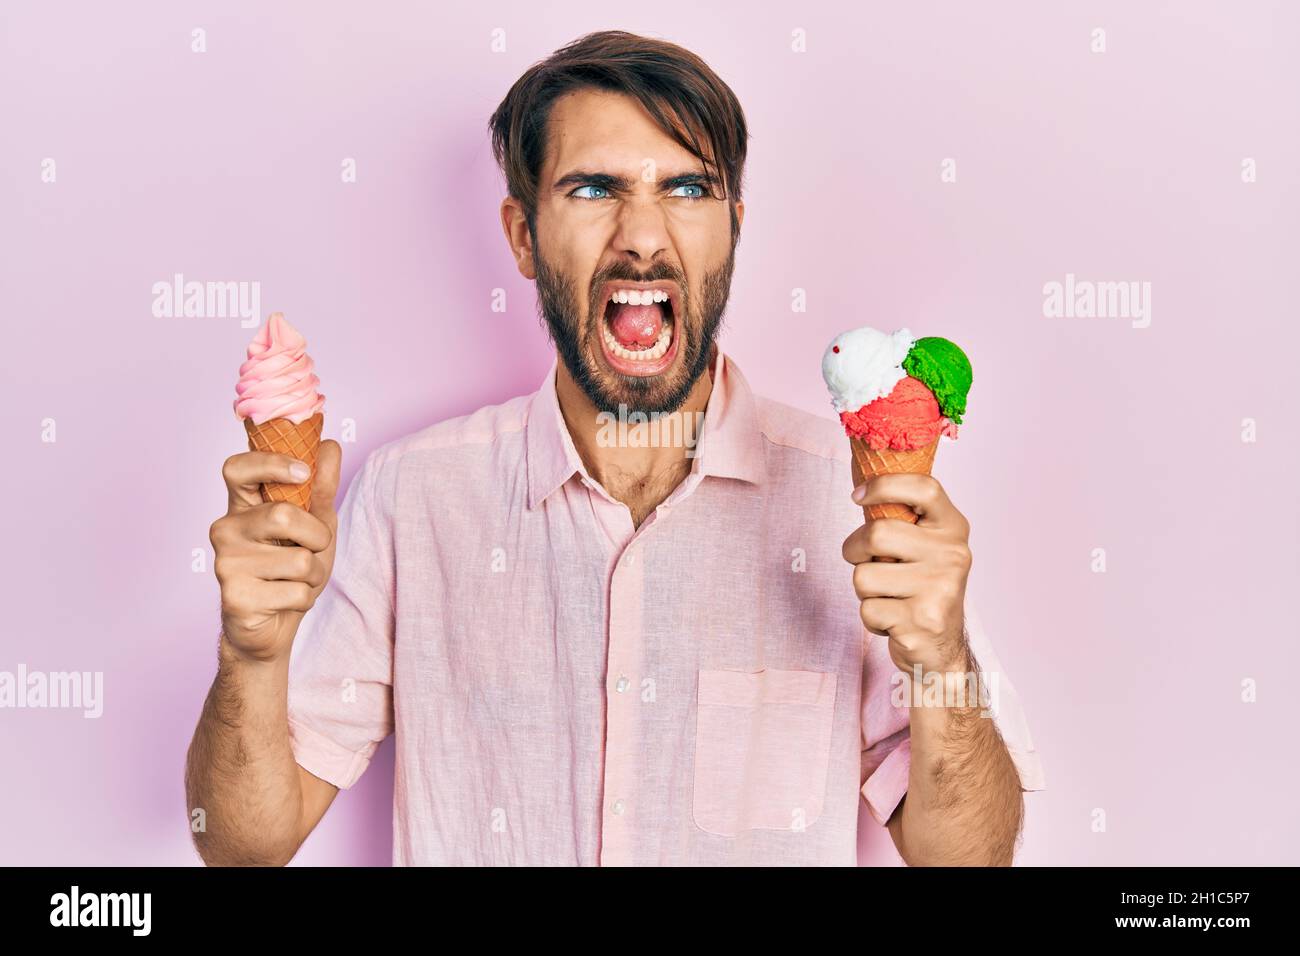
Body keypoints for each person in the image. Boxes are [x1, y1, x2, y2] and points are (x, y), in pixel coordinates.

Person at [186, 29, 1043, 866]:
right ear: (523, 236)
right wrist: (250, 655)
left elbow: (967, 859)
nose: (642, 233)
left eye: (686, 189)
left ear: (733, 229)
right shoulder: (414, 497)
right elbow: (242, 844)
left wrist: (942, 663)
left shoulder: (841, 502)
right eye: (594, 189)